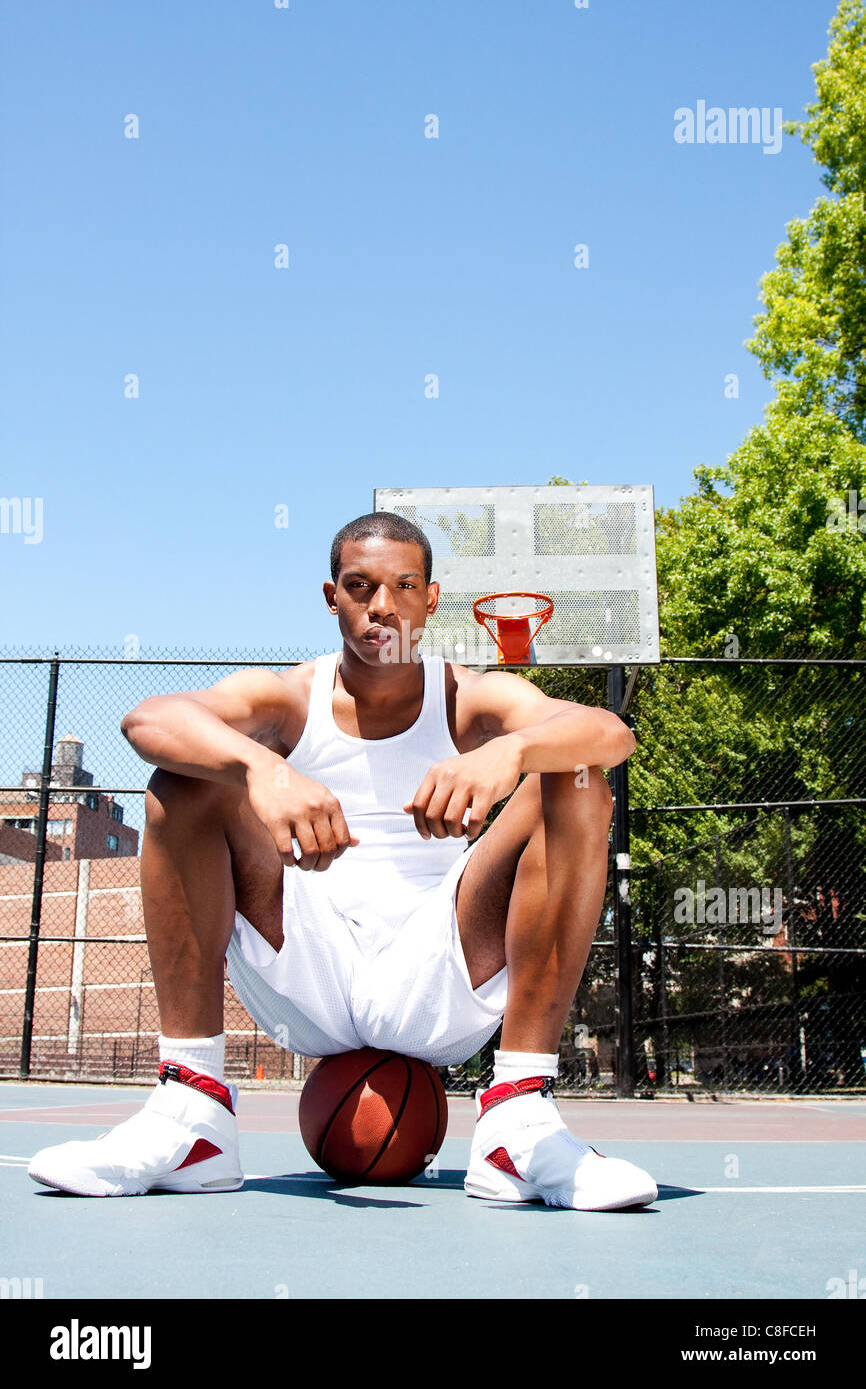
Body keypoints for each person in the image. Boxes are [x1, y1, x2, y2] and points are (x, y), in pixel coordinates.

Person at [28, 512, 657, 1210]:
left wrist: (506, 753)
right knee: (187, 776)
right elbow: (148, 720)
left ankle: (519, 1122)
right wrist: (262, 769)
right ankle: (193, 1111)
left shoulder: (467, 698)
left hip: (441, 968)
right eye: (360, 586)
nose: (381, 606)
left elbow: (609, 732)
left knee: (575, 780)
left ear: (431, 598)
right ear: (333, 598)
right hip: (306, 961)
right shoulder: (291, 698)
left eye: (402, 586)